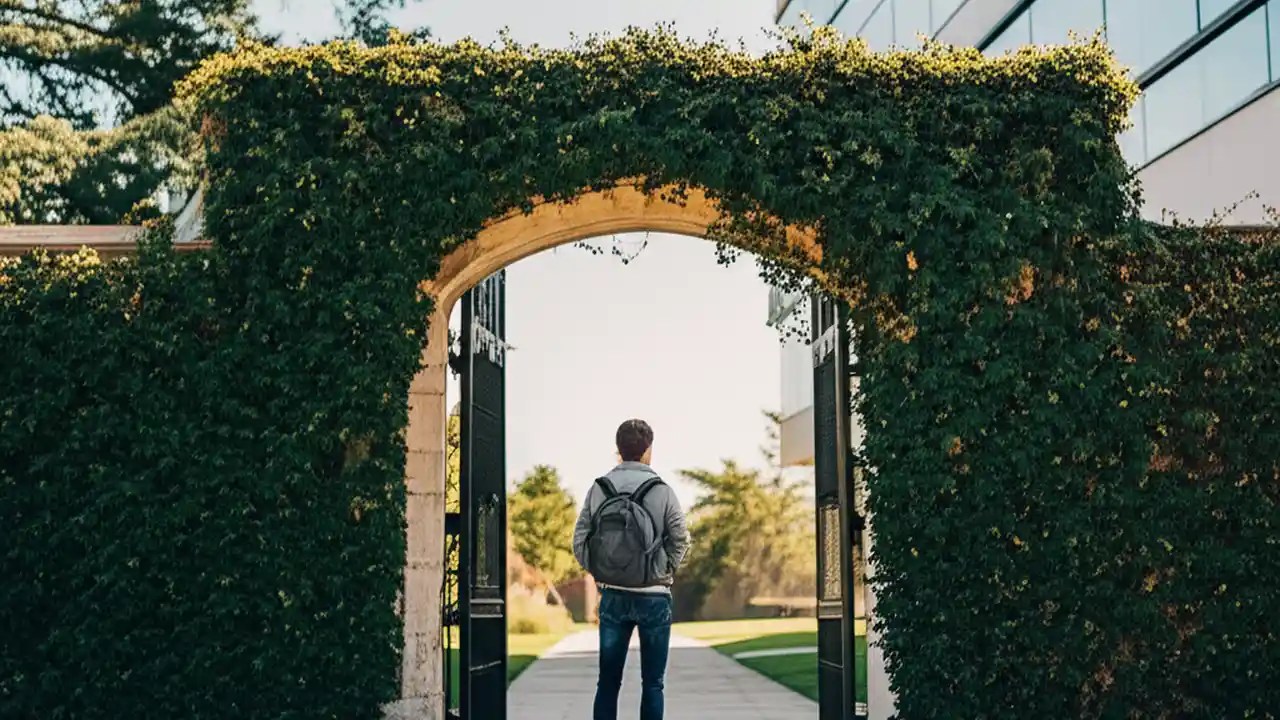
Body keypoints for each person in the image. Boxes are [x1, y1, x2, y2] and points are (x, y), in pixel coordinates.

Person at [572, 418, 690, 720]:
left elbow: (580, 540)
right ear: (648, 450)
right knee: (653, 684)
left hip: (613, 596)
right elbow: (680, 539)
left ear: (618, 450)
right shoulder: (662, 491)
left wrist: (601, 570)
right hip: (654, 596)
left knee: (608, 683)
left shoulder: (600, 488)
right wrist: (661, 569)